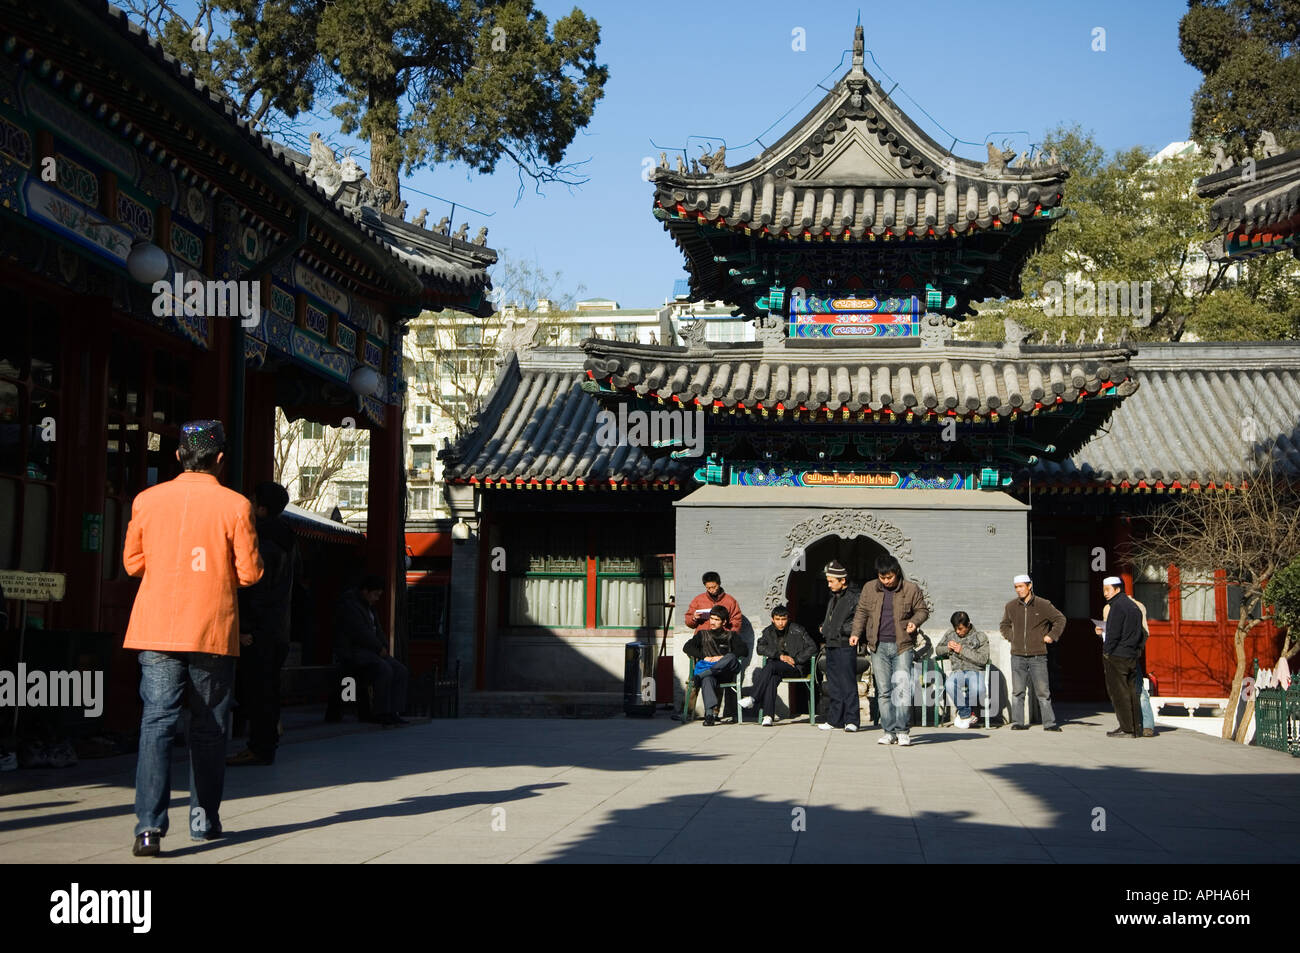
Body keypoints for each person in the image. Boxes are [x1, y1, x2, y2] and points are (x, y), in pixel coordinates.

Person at [123, 420, 263, 857]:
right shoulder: (236, 505)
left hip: (156, 625)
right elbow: (251, 573)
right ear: (220, 460)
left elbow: (132, 564)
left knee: (157, 722)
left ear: (179, 456)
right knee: (209, 727)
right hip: (211, 629)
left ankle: (148, 827)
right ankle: (203, 817)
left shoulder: (146, 500)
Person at [228, 482, 301, 766]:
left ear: (261, 507)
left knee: (256, 690)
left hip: (258, 629)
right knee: (268, 689)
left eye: (252, 498)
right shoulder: (288, 540)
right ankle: (266, 744)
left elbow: (255, 589)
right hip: (278, 627)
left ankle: (259, 746)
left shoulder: (262, 540)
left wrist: (245, 627)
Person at [851, 554, 930, 746]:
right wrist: (855, 633)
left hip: (902, 645)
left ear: (897, 573)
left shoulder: (911, 589)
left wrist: (914, 621)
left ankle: (902, 731)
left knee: (901, 688)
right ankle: (888, 731)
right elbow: (861, 612)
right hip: (877, 646)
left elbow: (923, 610)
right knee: (884, 691)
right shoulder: (870, 588)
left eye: (889, 577)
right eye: (882, 577)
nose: (886, 581)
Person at [335, 574, 409, 726]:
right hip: (356, 651)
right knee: (385, 669)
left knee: (401, 670)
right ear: (365, 591)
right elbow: (360, 633)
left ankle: (394, 711)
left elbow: (378, 631)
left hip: (373, 651)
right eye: (375, 594)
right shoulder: (350, 605)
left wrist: (384, 646)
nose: (377, 598)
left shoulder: (370, 608)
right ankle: (381, 712)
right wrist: (378, 647)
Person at [999, 574, 1066, 732]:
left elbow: (1060, 619)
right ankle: (1018, 722)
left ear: (1029, 586)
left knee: (1043, 691)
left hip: (1038, 655)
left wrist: (1051, 635)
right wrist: (1012, 637)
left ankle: (1049, 723)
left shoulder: (1043, 604)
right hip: (1017, 654)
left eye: (1021, 586)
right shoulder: (1011, 606)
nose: (1019, 590)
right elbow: (1004, 625)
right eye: (1016, 587)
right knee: (1018, 691)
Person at [740, 605, 816, 726]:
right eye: (778, 619)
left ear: (788, 618)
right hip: (776, 668)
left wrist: (796, 659)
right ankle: (768, 716)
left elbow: (812, 647)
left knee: (770, 667)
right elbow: (760, 648)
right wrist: (779, 656)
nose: (781, 623)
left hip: (794, 667)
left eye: (783, 619)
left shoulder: (798, 629)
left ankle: (753, 698)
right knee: (772, 679)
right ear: (772, 619)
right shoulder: (768, 631)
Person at [1096, 588, 1156, 737]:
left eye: (1108, 590)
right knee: (1122, 691)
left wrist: (1136, 650)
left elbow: (1143, 632)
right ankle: (1129, 725)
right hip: (1116, 653)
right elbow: (1110, 632)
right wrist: (1100, 632)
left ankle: (1145, 725)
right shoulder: (1108, 608)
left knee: (1138, 690)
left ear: (1118, 590)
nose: (1105, 593)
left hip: (1127, 654)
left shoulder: (1136, 606)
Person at [817, 561, 863, 732]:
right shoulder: (833, 598)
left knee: (847, 683)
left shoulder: (854, 597)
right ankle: (835, 719)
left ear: (842, 580)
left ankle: (852, 720)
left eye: (831, 581)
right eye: (828, 581)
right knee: (834, 684)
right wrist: (824, 627)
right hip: (831, 644)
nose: (829, 584)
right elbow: (831, 618)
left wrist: (836, 629)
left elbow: (857, 621)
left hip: (845, 644)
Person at [683, 605, 745, 725]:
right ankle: (710, 715)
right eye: (712, 618)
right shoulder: (702, 634)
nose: (713, 622)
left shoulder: (732, 635)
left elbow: (743, 650)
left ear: (724, 622)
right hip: (711, 673)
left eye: (717, 619)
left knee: (731, 657)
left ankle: (701, 675)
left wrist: (722, 658)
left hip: (726, 672)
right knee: (707, 679)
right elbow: (687, 647)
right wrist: (704, 657)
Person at [934, 611, 990, 728]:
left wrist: (962, 650)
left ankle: (964, 713)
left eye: (960, 629)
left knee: (978, 688)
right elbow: (938, 650)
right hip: (957, 671)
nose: (958, 632)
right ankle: (967, 714)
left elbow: (983, 659)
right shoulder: (950, 633)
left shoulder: (980, 636)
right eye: (956, 629)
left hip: (974, 671)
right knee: (949, 684)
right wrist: (947, 648)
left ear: (968, 625)